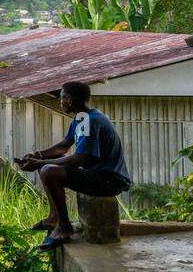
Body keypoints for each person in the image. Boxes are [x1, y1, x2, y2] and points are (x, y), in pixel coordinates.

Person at [15, 81, 131, 251]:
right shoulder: (82, 117)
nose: (60, 102)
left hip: (109, 180)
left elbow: (78, 160)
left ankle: (64, 226)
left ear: (69, 99)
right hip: (100, 176)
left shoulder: (90, 121)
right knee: (45, 167)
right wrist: (38, 156)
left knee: (48, 170)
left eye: (61, 98)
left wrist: (41, 163)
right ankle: (54, 217)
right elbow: (63, 146)